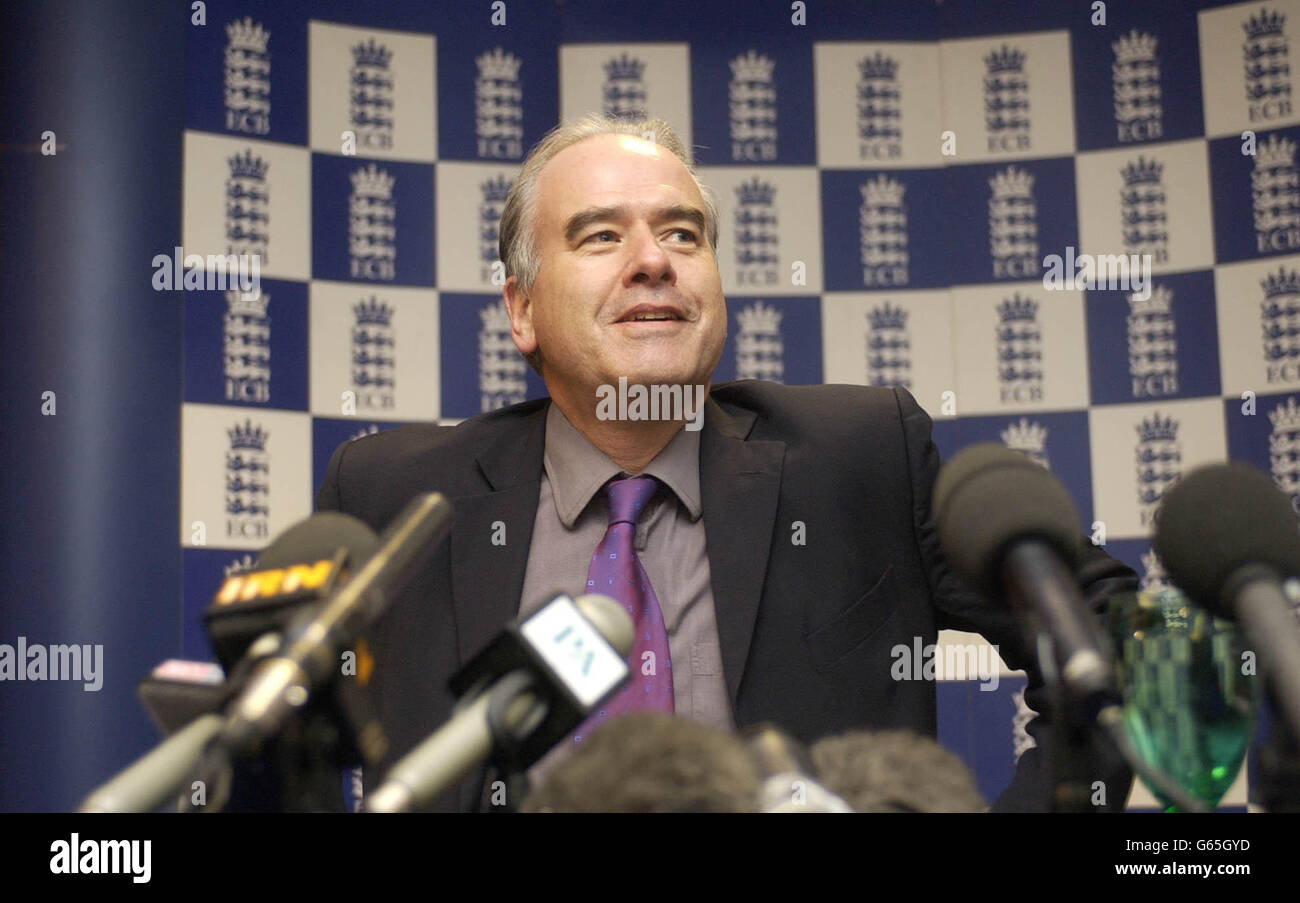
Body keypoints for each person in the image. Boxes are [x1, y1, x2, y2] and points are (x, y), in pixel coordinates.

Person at [316, 113, 1138, 812]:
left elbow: (1113, 632)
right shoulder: (394, 493)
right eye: (602, 235)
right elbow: (291, 746)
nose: (653, 259)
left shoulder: (862, 456)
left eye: (683, 233)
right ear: (521, 309)